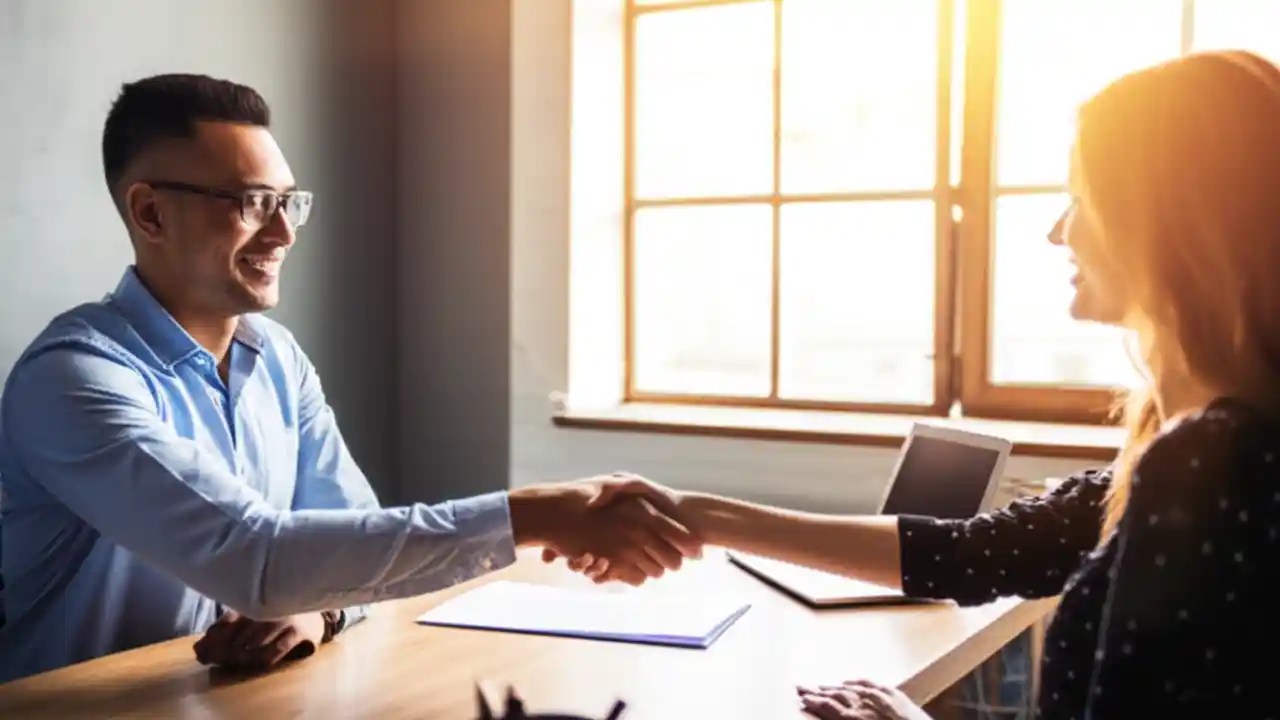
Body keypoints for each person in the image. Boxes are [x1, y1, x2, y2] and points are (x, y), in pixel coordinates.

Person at [556, 50, 1280, 718]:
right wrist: (693, 514)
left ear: (1162, 224)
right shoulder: (1212, 448)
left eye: (1082, 199)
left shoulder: (1216, 466)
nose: (1059, 232)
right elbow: (971, 554)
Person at [0, 74, 702, 684]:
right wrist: (542, 514)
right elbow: (257, 556)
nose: (284, 234)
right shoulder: (73, 381)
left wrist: (320, 608)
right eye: (250, 203)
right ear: (150, 211)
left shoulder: (275, 357)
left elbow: (349, 540)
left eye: (289, 201)